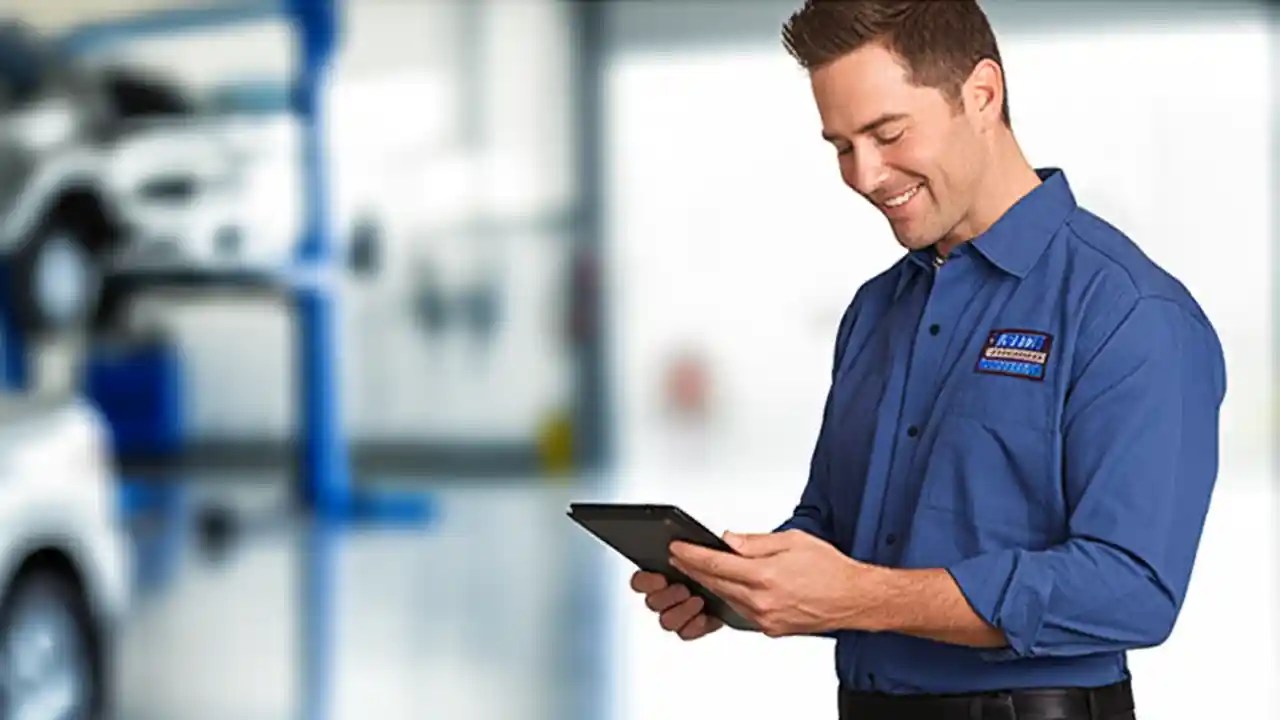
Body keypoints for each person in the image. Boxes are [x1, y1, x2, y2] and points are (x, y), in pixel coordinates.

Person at [629, 2, 1226, 718]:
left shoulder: (1129, 313)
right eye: (841, 146)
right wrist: (752, 586)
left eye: (886, 133)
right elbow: (836, 525)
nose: (864, 174)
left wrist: (862, 597)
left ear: (981, 94)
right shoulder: (876, 310)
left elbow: (1133, 590)